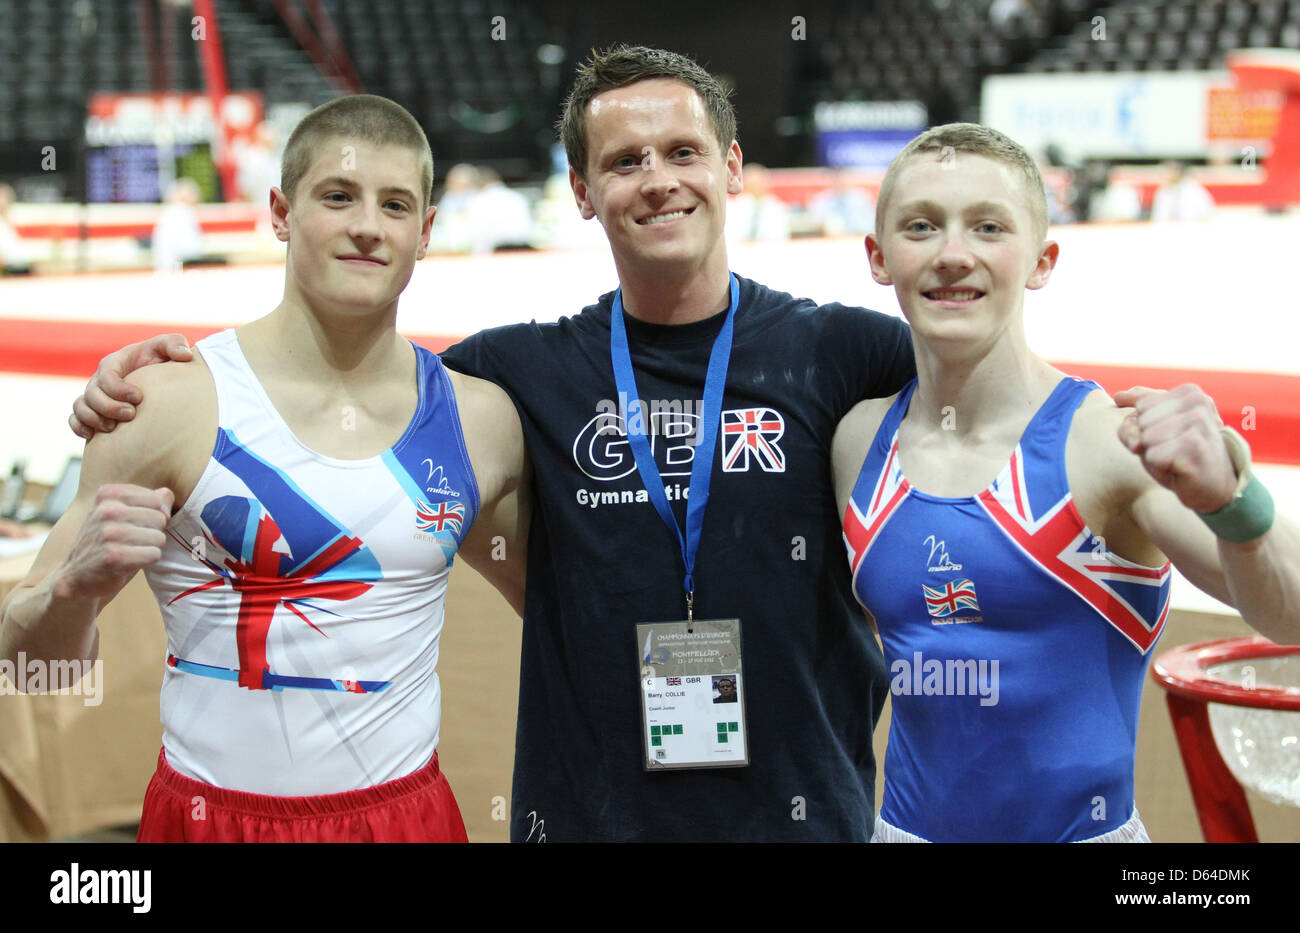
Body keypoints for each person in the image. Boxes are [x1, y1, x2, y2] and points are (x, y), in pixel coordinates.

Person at [68, 46, 916, 842]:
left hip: (802, 812)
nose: (657, 181)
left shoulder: (846, 354)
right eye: (624, 162)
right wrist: (156, 382)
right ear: (582, 191)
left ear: (731, 168)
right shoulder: (515, 375)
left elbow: (996, 385)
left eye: (683, 151)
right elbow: (351, 386)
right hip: (591, 815)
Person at [1, 94, 530, 842]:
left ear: (427, 231)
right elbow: (29, 670)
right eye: (338, 197)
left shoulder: (482, 424)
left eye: (395, 204)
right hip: (210, 822)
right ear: (280, 212)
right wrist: (71, 590)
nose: (367, 227)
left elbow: (568, 617)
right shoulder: (169, 402)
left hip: (404, 819)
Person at [832, 123, 1300, 842]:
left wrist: (1234, 501)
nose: (953, 255)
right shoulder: (857, 442)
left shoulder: (1106, 443)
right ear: (878, 256)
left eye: (988, 227)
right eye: (921, 226)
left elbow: (1290, 619)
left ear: (1042, 260)